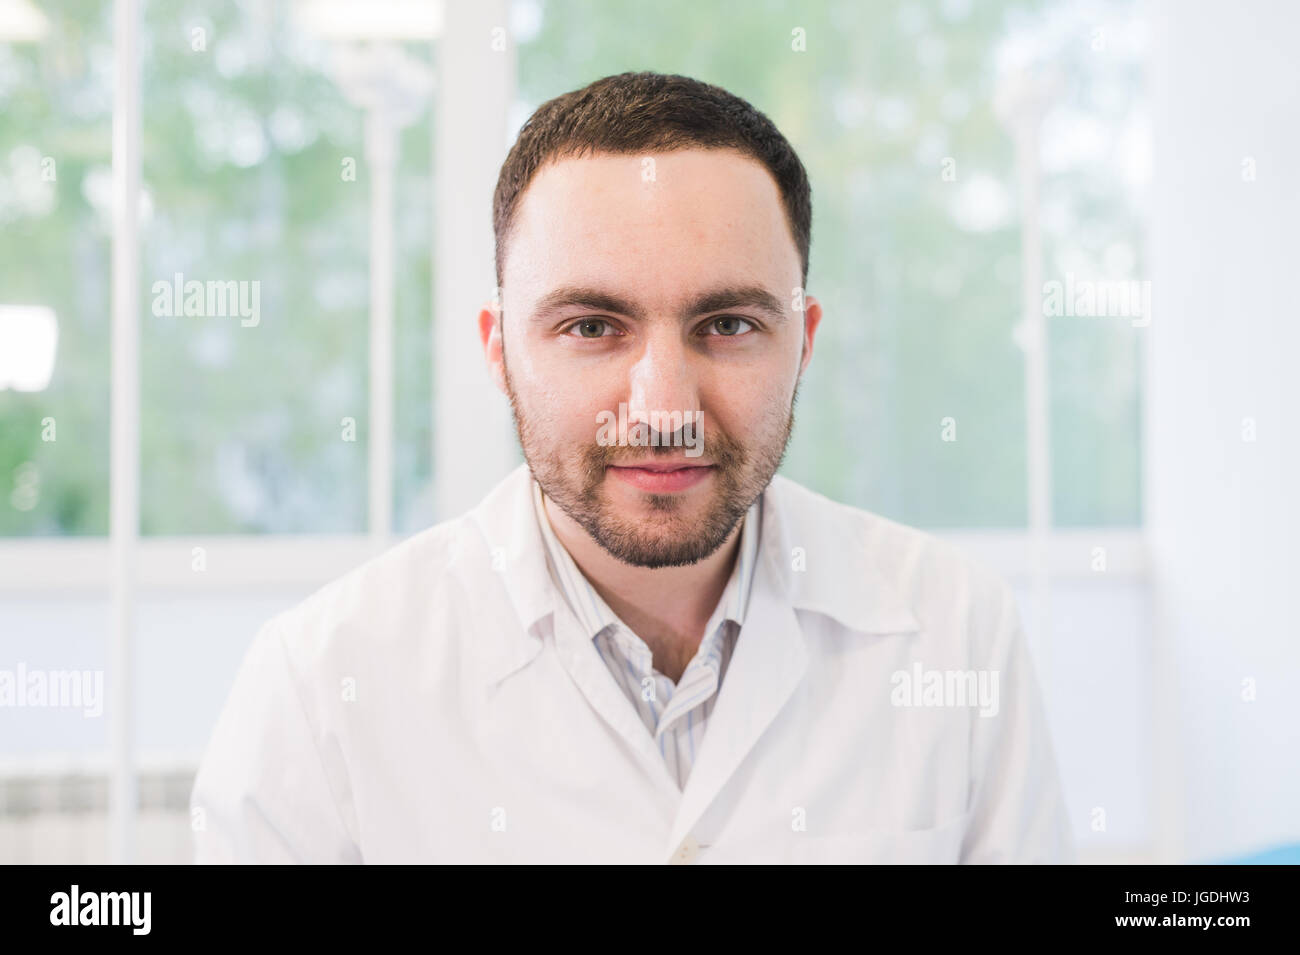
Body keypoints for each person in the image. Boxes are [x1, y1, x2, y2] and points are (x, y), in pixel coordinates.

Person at [190, 71, 1074, 864]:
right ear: (500, 353)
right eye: (591, 327)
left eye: (727, 324)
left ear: (801, 345)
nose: (662, 407)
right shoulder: (322, 688)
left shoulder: (957, 633)